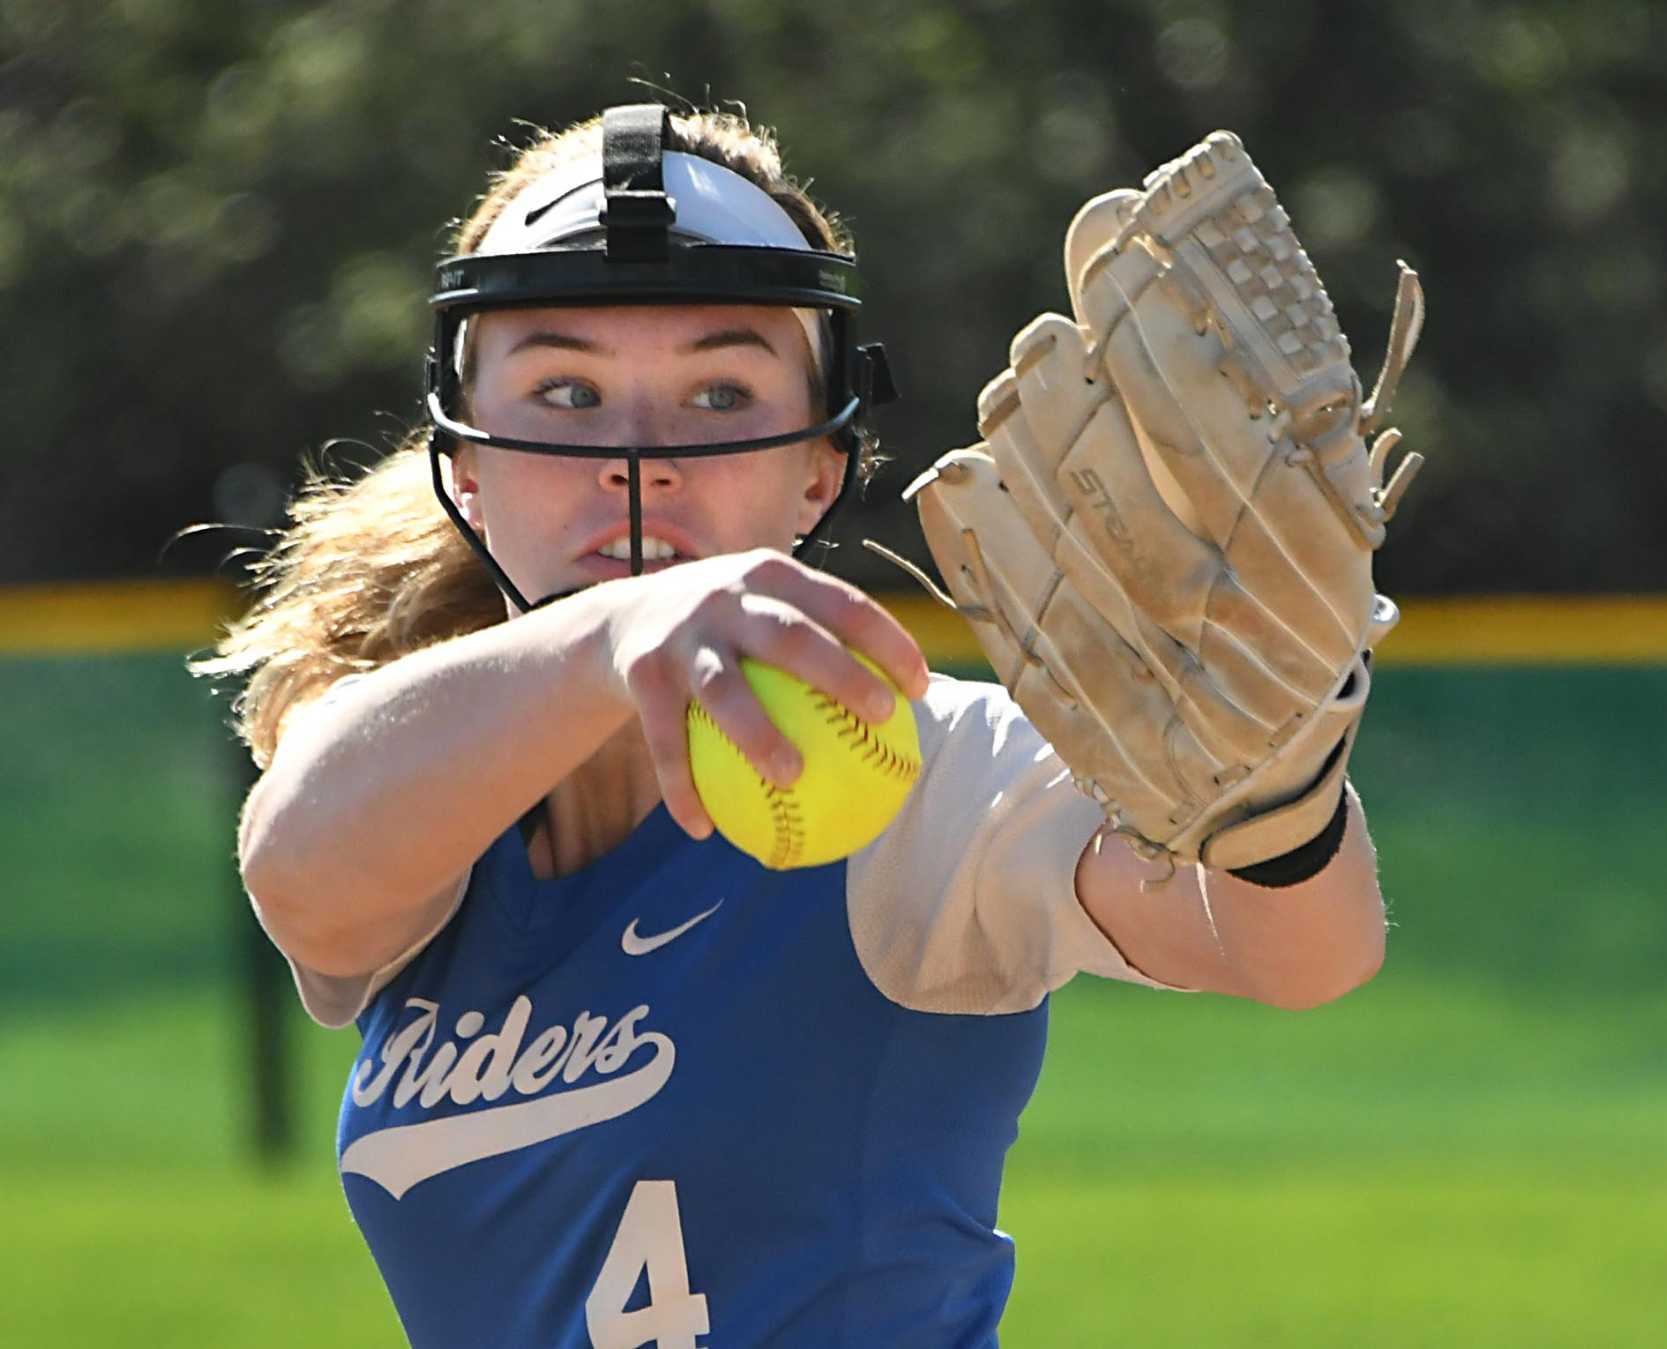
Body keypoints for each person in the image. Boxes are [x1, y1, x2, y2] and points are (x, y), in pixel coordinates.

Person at [197, 103, 1392, 1349]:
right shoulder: (423, 774)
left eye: (721, 390)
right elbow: (301, 869)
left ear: (818, 467)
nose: (638, 457)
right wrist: (621, 634)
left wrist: (1282, 804)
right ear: (467, 462)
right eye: (565, 390)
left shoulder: (917, 767)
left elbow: (1294, 954)